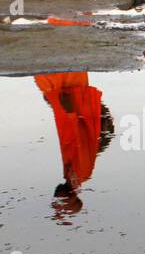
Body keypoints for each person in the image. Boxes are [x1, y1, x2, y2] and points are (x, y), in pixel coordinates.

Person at [34, 72, 114, 223]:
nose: (55, 197)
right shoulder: (81, 173)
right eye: (59, 200)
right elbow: (81, 137)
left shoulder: (73, 176)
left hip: (68, 96)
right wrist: (69, 110)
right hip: (71, 93)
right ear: (69, 198)